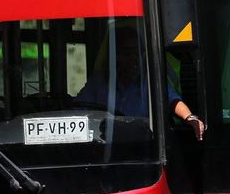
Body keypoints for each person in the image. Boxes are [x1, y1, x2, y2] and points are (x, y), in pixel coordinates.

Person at [75, 26, 205, 140]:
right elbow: (79, 111)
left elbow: (172, 101)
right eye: (126, 53)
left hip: (143, 151)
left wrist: (190, 118)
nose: (133, 58)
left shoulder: (148, 82)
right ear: (114, 55)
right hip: (104, 147)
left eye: (136, 53)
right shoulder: (98, 83)